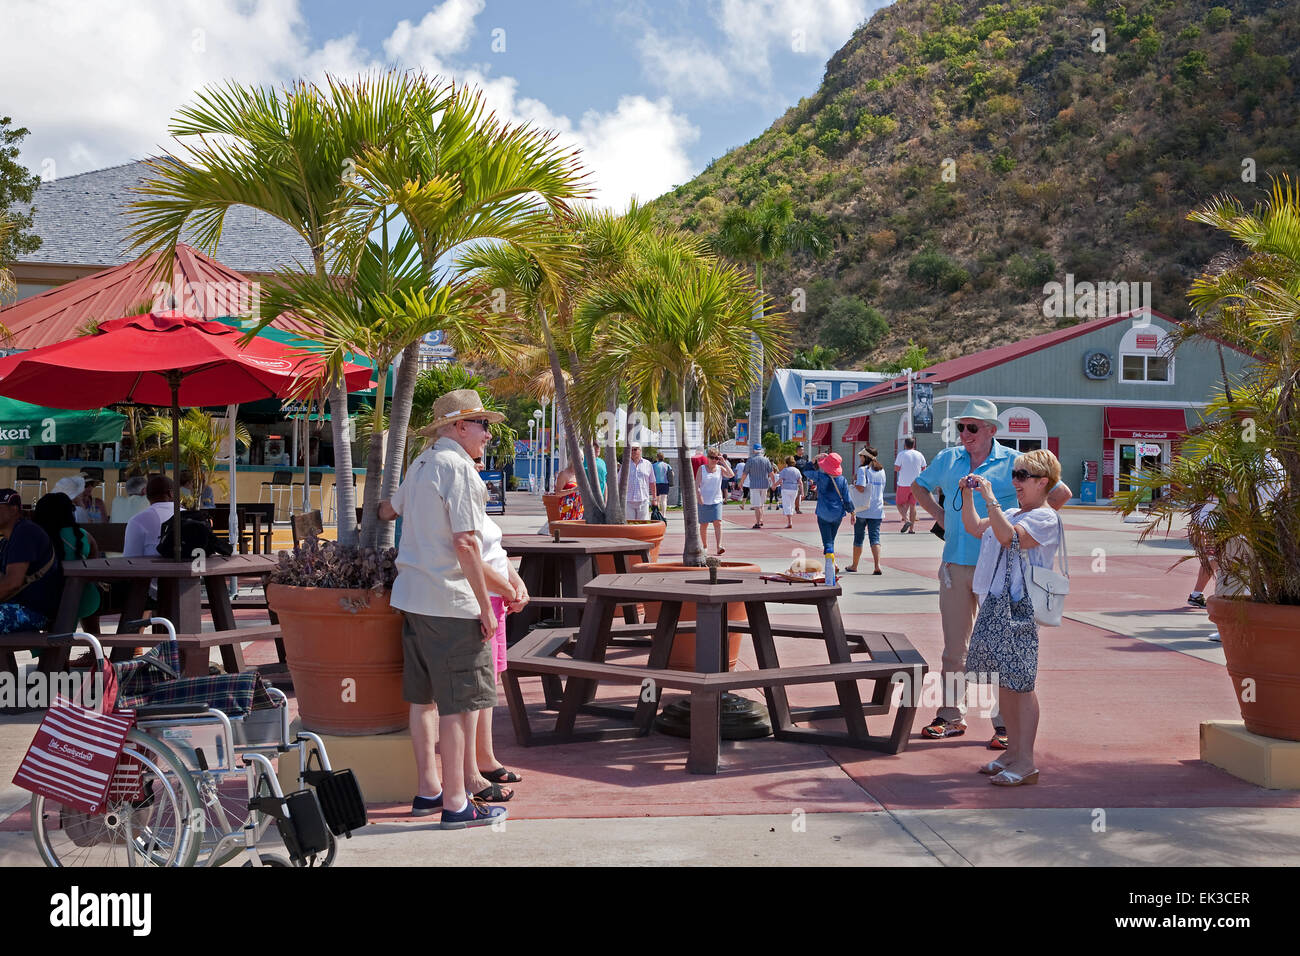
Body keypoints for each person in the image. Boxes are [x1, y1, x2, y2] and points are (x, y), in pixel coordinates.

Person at [378, 389, 511, 829]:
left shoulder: (420, 464)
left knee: (424, 700)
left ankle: (428, 790)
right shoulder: (458, 469)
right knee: (460, 704)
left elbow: (386, 510)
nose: (488, 435)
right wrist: (486, 605)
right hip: (450, 602)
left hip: (413, 596)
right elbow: (466, 542)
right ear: (459, 427)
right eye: (482, 425)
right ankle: (457, 802)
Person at [911, 399, 1071, 747]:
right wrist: (943, 519)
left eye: (972, 427)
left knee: (1001, 647)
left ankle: (1004, 723)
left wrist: (1028, 527)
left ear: (991, 430)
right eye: (961, 428)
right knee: (955, 649)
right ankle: (951, 715)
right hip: (956, 563)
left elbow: (1060, 492)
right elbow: (917, 487)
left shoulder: (1016, 461)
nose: (964, 434)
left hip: (1002, 573)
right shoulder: (948, 459)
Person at [960, 449, 1064, 786]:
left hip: (1021, 607)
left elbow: (1009, 538)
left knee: (1022, 683)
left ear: (1042, 482)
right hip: (997, 602)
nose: (1015, 481)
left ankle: (1026, 762)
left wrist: (990, 498)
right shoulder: (1014, 512)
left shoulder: (1045, 519)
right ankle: (1011, 753)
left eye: (1022, 476)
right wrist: (967, 495)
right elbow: (976, 528)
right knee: (1005, 680)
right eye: (1014, 475)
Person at [0, 489, 62, 635]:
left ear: (14, 509)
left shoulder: (24, 533)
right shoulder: (6, 541)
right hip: (15, 608)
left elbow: (12, 583)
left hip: (31, 612)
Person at [34, 492, 101, 626]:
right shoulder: (84, 536)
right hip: (87, 601)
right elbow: (95, 570)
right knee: (83, 592)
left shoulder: (37, 537)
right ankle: (95, 645)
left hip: (49, 601)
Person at [803, 453, 854, 561]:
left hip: (823, 513)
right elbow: (847, 499)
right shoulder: (843, 480)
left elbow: (806, 472)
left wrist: (814, 460)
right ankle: (832, 560)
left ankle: (830, 565)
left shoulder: (820, 477)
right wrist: (852, 512)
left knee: (828, 543)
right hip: (837, 514)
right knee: (831, 540)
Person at [848, 448, 887, 574]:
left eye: (861, 456)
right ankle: (877, 565)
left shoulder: (863, 470)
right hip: (877, 509)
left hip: (862, 509)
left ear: (865, 457)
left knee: (858, 538)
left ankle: (854, 565)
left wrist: (854, 482)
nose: (860, 459)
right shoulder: (881, 471)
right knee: (875, 538)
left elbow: (860, 488)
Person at [123, 475, 175, 559]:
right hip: (189, 569)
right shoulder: (187, 515)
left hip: (152, 570)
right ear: (170, 493)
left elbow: (130, 559)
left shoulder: (137, 521)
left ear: (147, 495)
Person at [695, 447, 733, 555]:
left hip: (716, 500)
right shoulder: (701, 469)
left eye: (716, 458)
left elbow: (731, 475)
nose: (714, 460)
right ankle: (704, 545)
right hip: (704, 500)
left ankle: (719, 546)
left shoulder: (720, 468)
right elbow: (697, 484)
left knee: (718, 523)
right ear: (708, 458)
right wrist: (699, 496)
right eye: (712, 458)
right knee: (704, 524)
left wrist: (723, 462)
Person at [894, 437, 927, 533]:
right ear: (914, 445)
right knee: (913, 506)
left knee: (899, 504)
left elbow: (896, 468)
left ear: (905, 445)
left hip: (903, 483)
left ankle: (906, 520)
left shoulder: (901, 454)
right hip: (916, 484)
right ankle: (912, 529)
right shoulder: (919, 454)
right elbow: (924, 468)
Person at [621, 443, 655, 520]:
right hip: (628, 501)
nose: (633, 451)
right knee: (630, 525)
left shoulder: (648, 464)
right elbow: (619, 482)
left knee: (643, 525)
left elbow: (652, 482)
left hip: (643, 500)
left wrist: (654, 498)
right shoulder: (625, 464)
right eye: (631, 449)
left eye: (635, 449)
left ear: (640, 450)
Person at [745, 444, 773, 529]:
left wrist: (741, 482)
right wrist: (774, 483)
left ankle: (757, 522)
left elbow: (745, 473)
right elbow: (771, 473)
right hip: (764, 485)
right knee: (761, 504)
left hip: (754, 485)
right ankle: (761, 519)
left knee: (757, 505)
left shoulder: (750, 460)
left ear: (754, 450)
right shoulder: (766, 460)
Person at [778, 455, 803, 529]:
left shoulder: (784, 470)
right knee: (791, 504)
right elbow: (800, 482)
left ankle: (789, 521)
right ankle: (790, 520)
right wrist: (802, 492)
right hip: (794, 489)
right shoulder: (797, 470)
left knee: (786, 504)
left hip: (785, 488)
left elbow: (780, 480)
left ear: (787, 462)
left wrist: (774, 485)